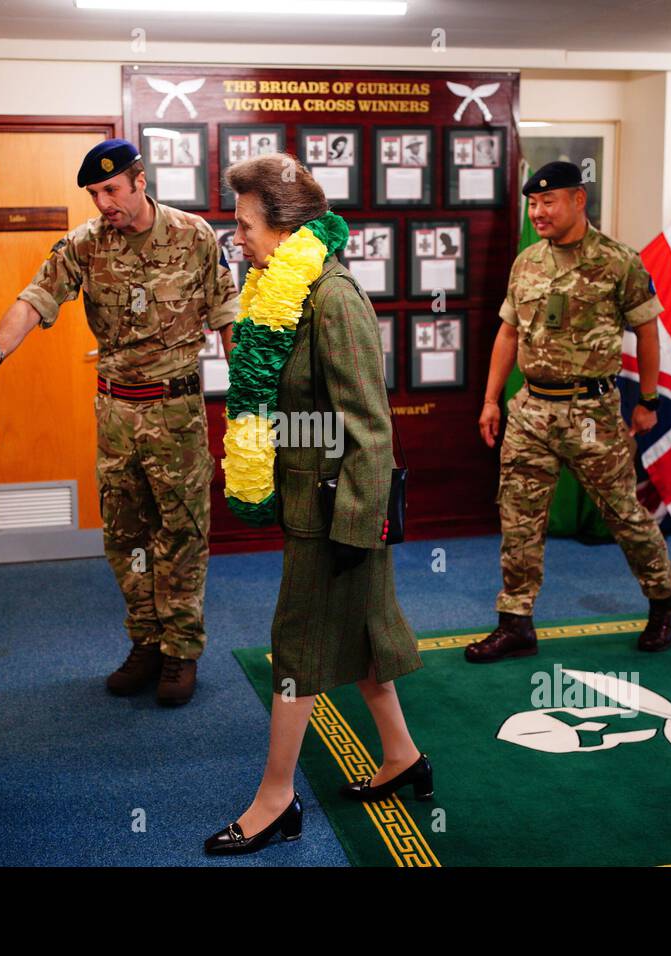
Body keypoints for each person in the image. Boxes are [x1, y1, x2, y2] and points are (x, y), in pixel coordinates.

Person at [0, 139, 239, 705]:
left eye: (111, 189)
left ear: (139, 180)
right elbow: (35, 299)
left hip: (176, 409)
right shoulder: (85, 243)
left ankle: (182, 652)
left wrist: (247, 400)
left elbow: (227, 316)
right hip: (115, 411)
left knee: (181, 533)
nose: (103, 202)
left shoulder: (194, 236)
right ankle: (146, 641)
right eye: (93, 193)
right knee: (125, 534)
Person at [204, 154, 429, 856]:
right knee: (361, 637)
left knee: (295, 649)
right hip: (311, 500)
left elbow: (368, 425)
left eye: (243, 225)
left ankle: (276, 801)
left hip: (337, 515)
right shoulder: (284, 289)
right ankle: (403, 756)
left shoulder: (333, 298)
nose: (236, 238)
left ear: (285, 224)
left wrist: (357, 531)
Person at [468, 160, 671, 663]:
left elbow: (648, 330)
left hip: (592, 413)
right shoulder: (526, 262)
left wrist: (649, 400)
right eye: (533, 204)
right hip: (530, 410)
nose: (539, 212)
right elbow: (508, 333)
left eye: (548, 202)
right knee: (519, 518)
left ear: (578, 200)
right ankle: (516, 622)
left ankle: (666, 599)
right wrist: (490, 399)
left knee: (623, 514)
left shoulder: (618, 262)